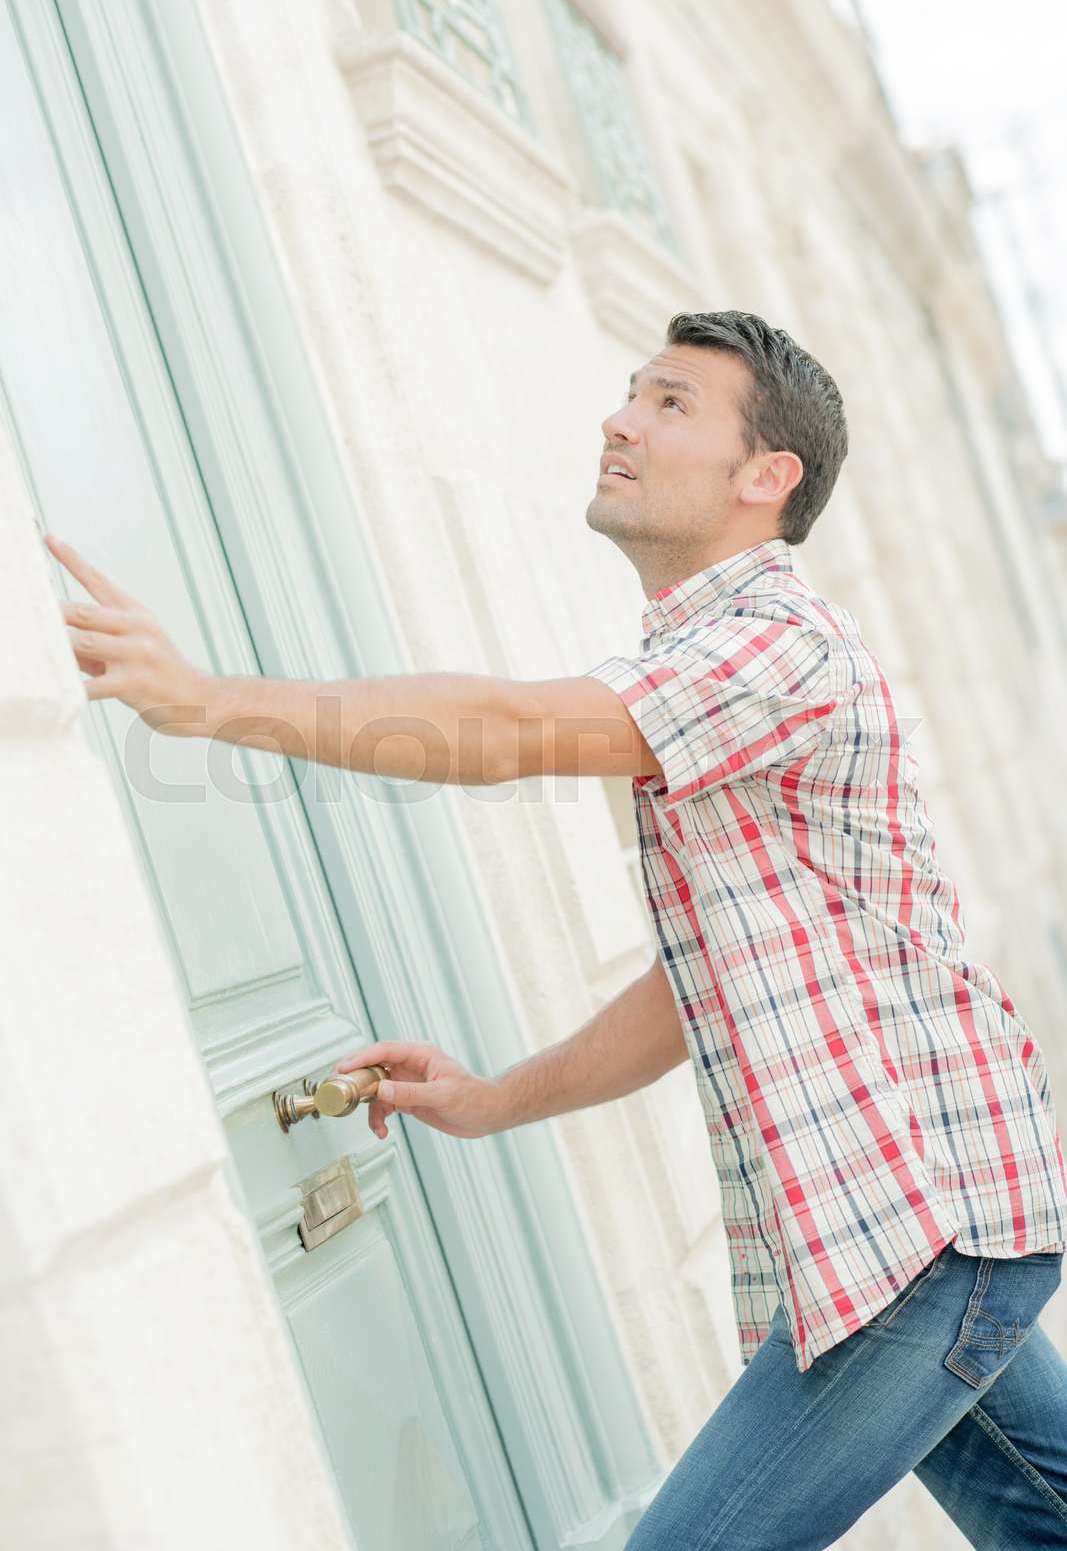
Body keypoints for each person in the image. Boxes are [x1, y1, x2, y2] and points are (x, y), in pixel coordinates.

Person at [47, 309, 1067, 1548]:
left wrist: (211, 701)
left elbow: (506, 728)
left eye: (670, 402)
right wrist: (491, 1099)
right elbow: (700, 984)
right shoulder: (707, 656)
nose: (618, 418)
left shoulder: (772, 649)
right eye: (630, 391)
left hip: (924, 1235)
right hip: (929, 1219)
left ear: (765, 477)